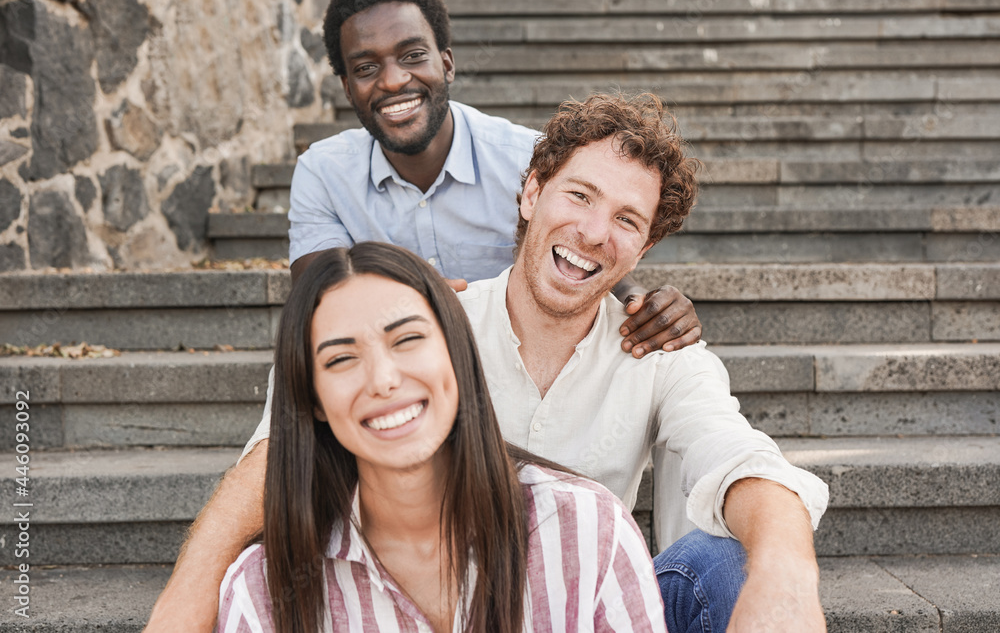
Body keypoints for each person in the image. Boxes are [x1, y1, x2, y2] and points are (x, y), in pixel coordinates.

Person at [147, 92, 828, 633]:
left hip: (581, 603)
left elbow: (735, 452)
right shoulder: (432, 326)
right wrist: (186, 599)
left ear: (643, 249)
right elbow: (284, 444)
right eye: (579, 195)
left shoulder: (657, 350)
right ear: (531, 193)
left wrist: (788, 577)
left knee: (727, 558)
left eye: (627, 220)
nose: (594, 232)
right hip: (433, 589)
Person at [216, 243, 667, 632]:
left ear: (455, 350)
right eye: (340, 360)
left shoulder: (588, 531)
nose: (384, 380)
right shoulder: (262, 593)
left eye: (407, 339)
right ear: (314, 399)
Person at [289, 0, 701, 358]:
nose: (394, 80)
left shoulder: (530, 160)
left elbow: (586, 244)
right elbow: (316, 294)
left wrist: (644, 303)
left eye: (413, 56)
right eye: (365, 67)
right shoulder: (322, 173)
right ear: (346, 87)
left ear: (446, 63)